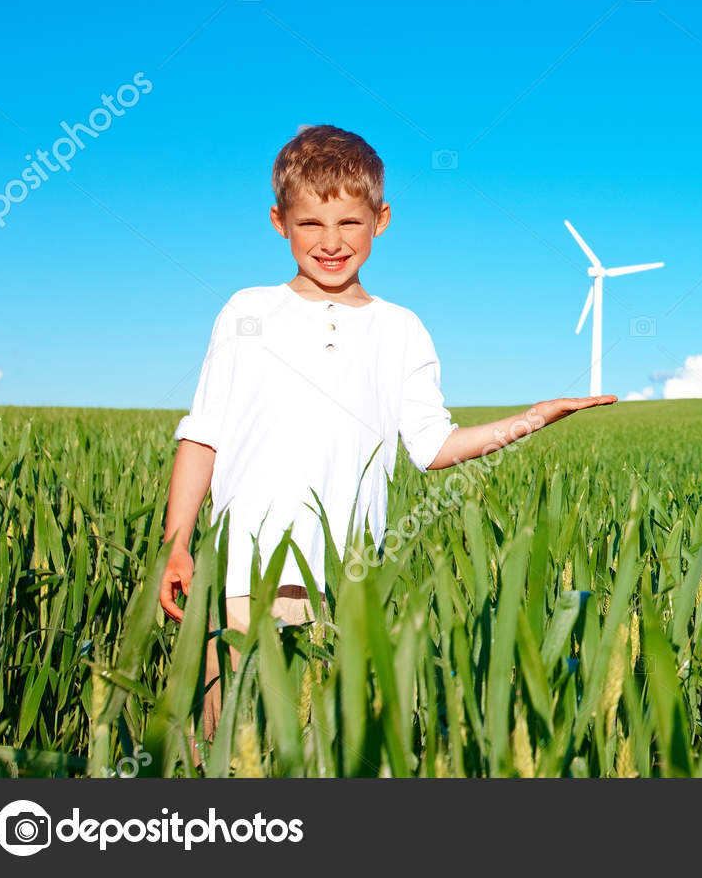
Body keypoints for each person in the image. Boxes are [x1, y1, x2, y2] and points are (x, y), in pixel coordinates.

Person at [156, 124, 613, 741]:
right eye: (311, 224)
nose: (331, 242)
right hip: (241, 574)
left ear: (381, 219)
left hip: (343, 584)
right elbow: (202, 436)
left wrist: (535, 416)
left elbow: (432, 448)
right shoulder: (247, 312)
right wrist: (178, 543)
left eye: (349, 222)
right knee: (227, 745)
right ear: (278, 222)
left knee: (326, 748)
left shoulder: (402, 331)